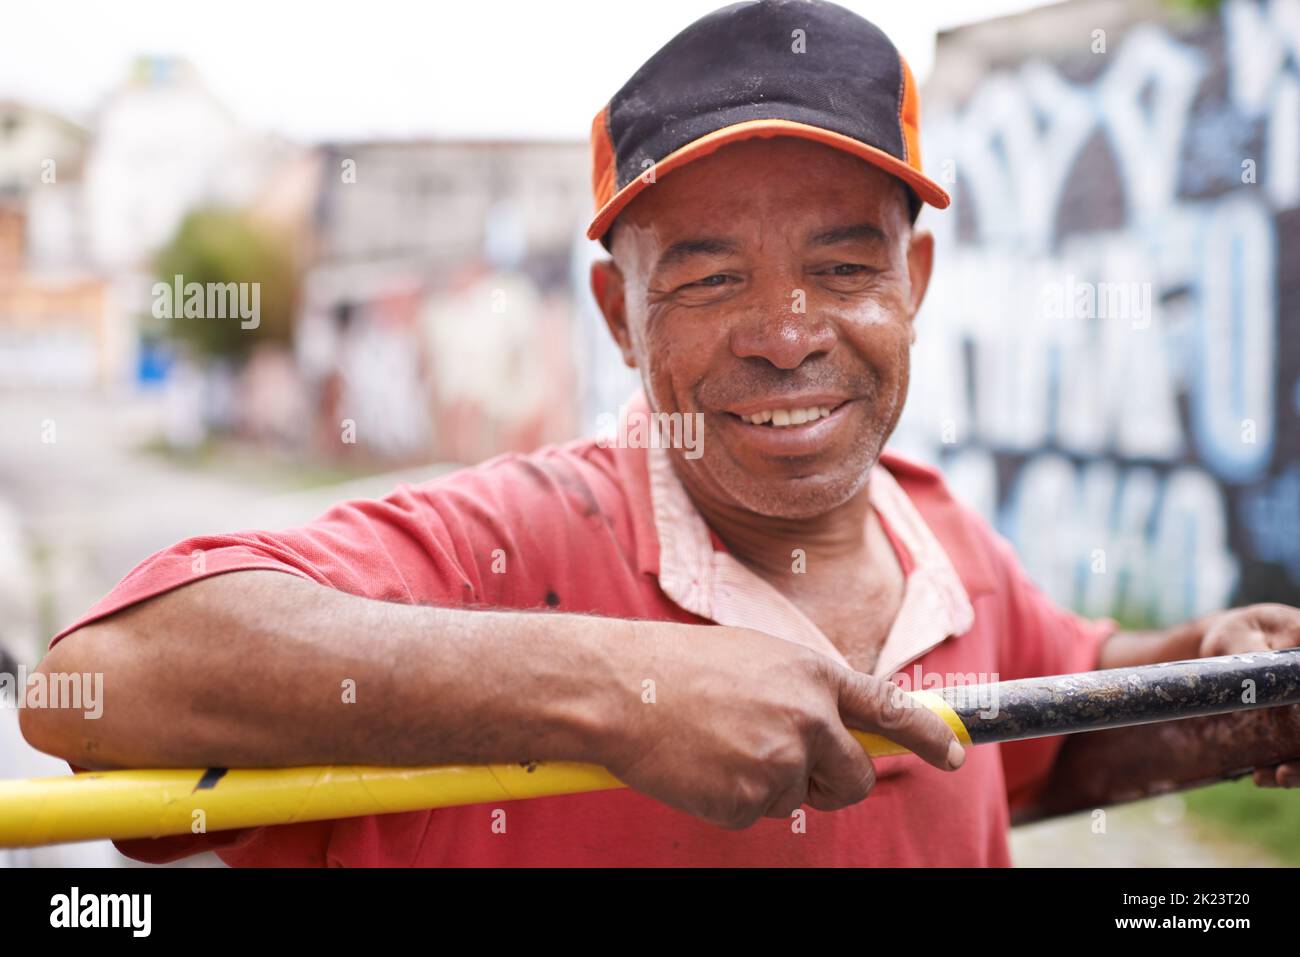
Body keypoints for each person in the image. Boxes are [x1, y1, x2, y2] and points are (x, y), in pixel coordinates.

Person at [21, 0, 1300, 867]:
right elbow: (104, 690)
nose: (787, 332)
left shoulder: (946, 542)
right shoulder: (511, 546)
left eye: (843, 268)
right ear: (617, 317)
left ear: (914, 284)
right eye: (705, 277)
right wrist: (619, 689)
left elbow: (1044, 735)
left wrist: (1212, 675)